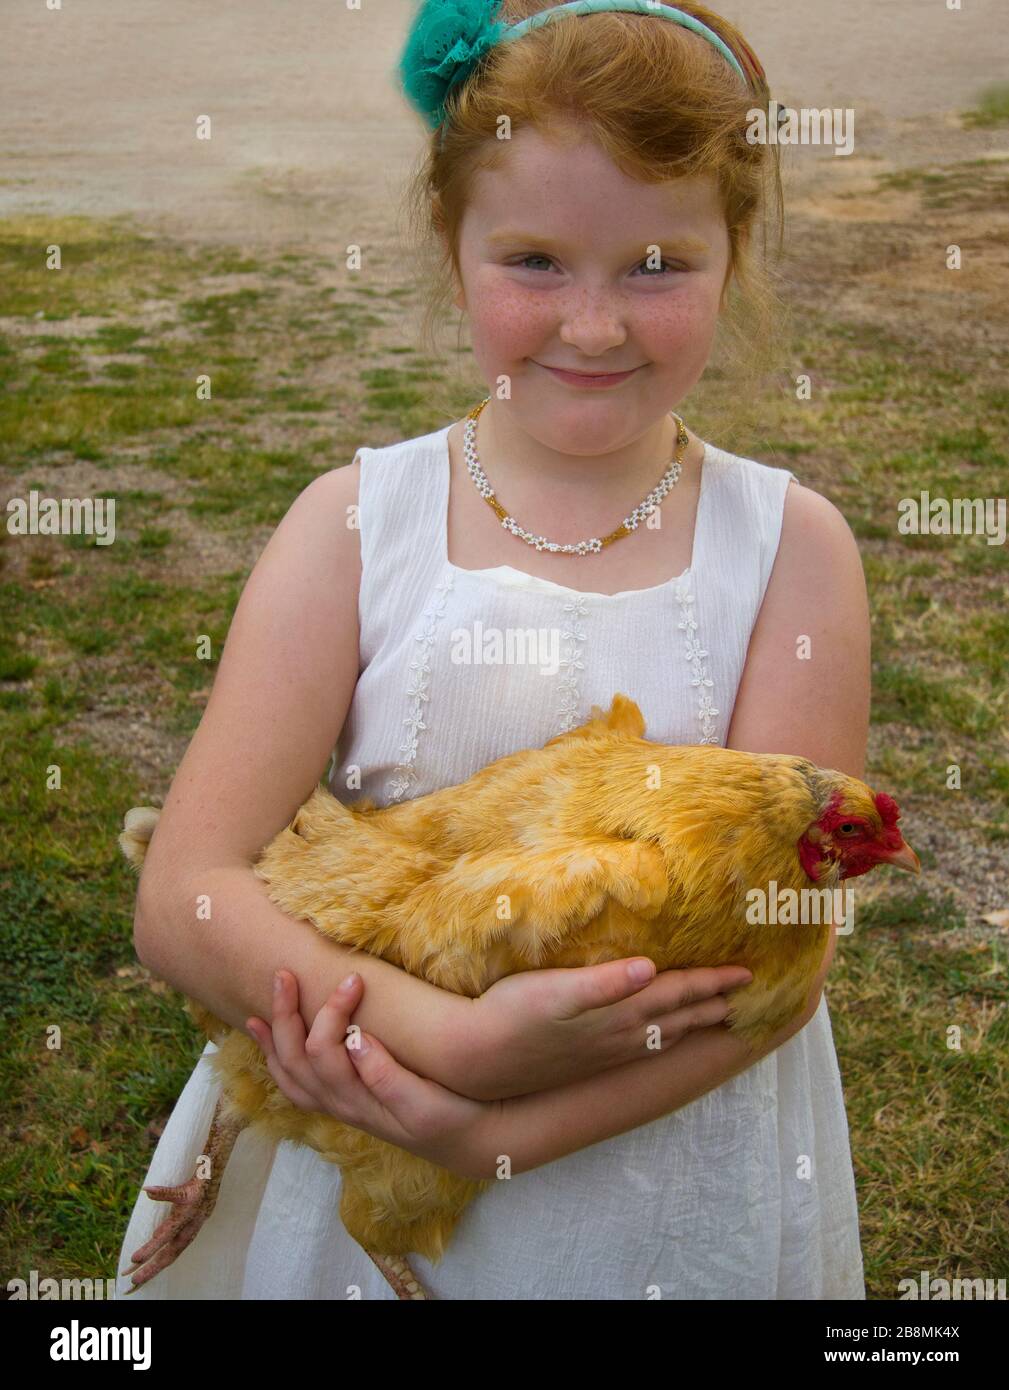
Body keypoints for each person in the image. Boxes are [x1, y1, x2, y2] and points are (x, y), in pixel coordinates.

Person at [116, 0, 869, 1300]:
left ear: (731, 252)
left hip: (667, 1187)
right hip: (372, 1124)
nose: (591, 325)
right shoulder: (354, 527)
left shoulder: (793, 549)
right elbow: (187, 892)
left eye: (654, 265)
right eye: (532, 261)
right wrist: (445, 1049)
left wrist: (492, 1136)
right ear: (450, 245)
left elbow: (790, 951)